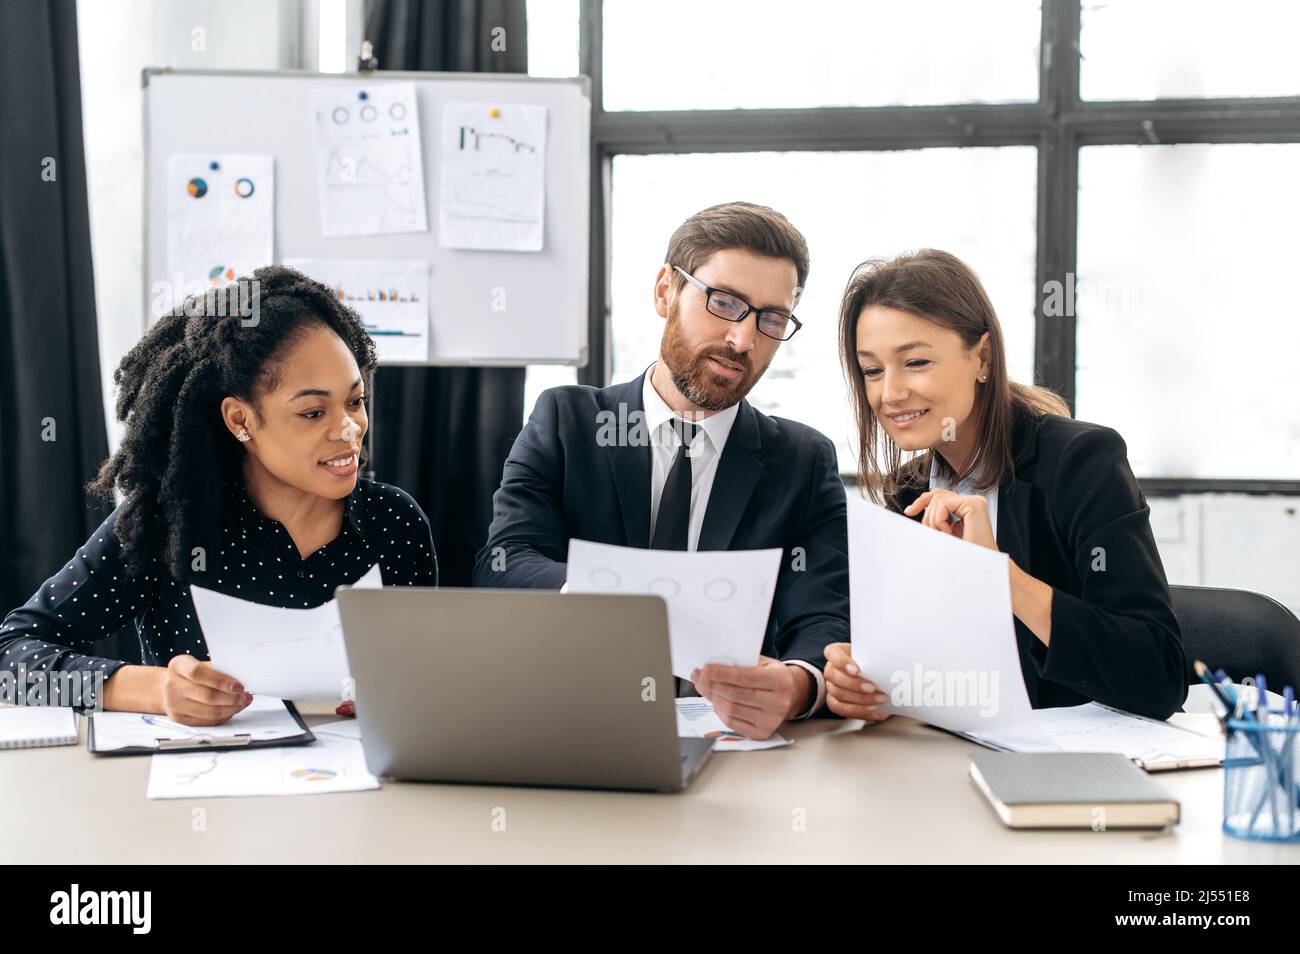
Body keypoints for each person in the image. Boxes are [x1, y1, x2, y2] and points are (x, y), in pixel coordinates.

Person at [474, 202, 848, 740]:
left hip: (735, 752)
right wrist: (631, 601)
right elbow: (504, 564)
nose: (743, 341)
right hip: (574, 726)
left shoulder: (803, 461)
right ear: (664, 291)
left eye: (771, 319)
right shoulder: (567, 421)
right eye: (724, 303)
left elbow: (823, 615)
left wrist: (798, 685)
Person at [0, 266, 436, 724]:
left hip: (362, 787)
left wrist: (405, 690)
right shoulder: (166, 523)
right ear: (240, 420)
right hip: (197, 786)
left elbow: (424, 675)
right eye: (312, 412)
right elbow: (12, 657)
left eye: (355, 400)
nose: (349, 429)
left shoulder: (395, 521)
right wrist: (154, 688)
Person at [824, 249, 1187, 723]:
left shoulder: (1080, 463)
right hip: (948, 759)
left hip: (1063, 771)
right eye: (872, 370)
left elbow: (1158, 677)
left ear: (983, 358)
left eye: (914, 362)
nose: (889, 393)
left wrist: (996, 575)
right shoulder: (907, 493)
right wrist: (864, 682)